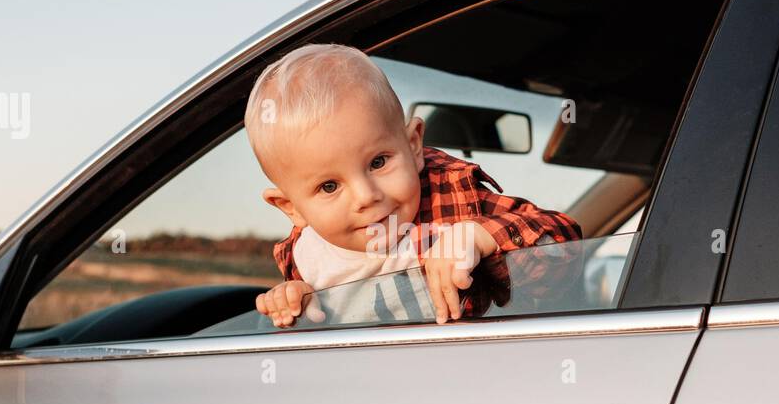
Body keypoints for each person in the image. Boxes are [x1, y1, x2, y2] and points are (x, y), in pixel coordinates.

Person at [244, 43, 581, 326]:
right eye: (329, 187)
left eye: (378, 162)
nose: (366, 196)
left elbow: (564, 247)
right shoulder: (304, 256)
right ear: (291, 208)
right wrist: (289, 302)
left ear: (414, 146)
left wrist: (480, 237)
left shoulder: (456, 202)